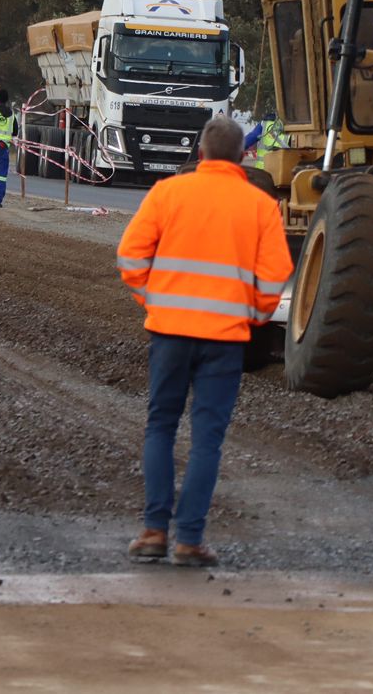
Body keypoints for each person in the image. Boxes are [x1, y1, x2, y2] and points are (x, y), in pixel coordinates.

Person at [117, 115, 293, 567]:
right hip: (225, 339)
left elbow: (131, 255)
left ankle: (154, 531)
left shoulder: (168, 193)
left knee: (160, 427)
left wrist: (154, 302)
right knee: (206, 441)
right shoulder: (259, 205)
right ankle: (189, 541)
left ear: (200, 153)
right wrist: (253, 315)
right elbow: (275, 274)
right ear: (243, 156)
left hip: (169, 333)